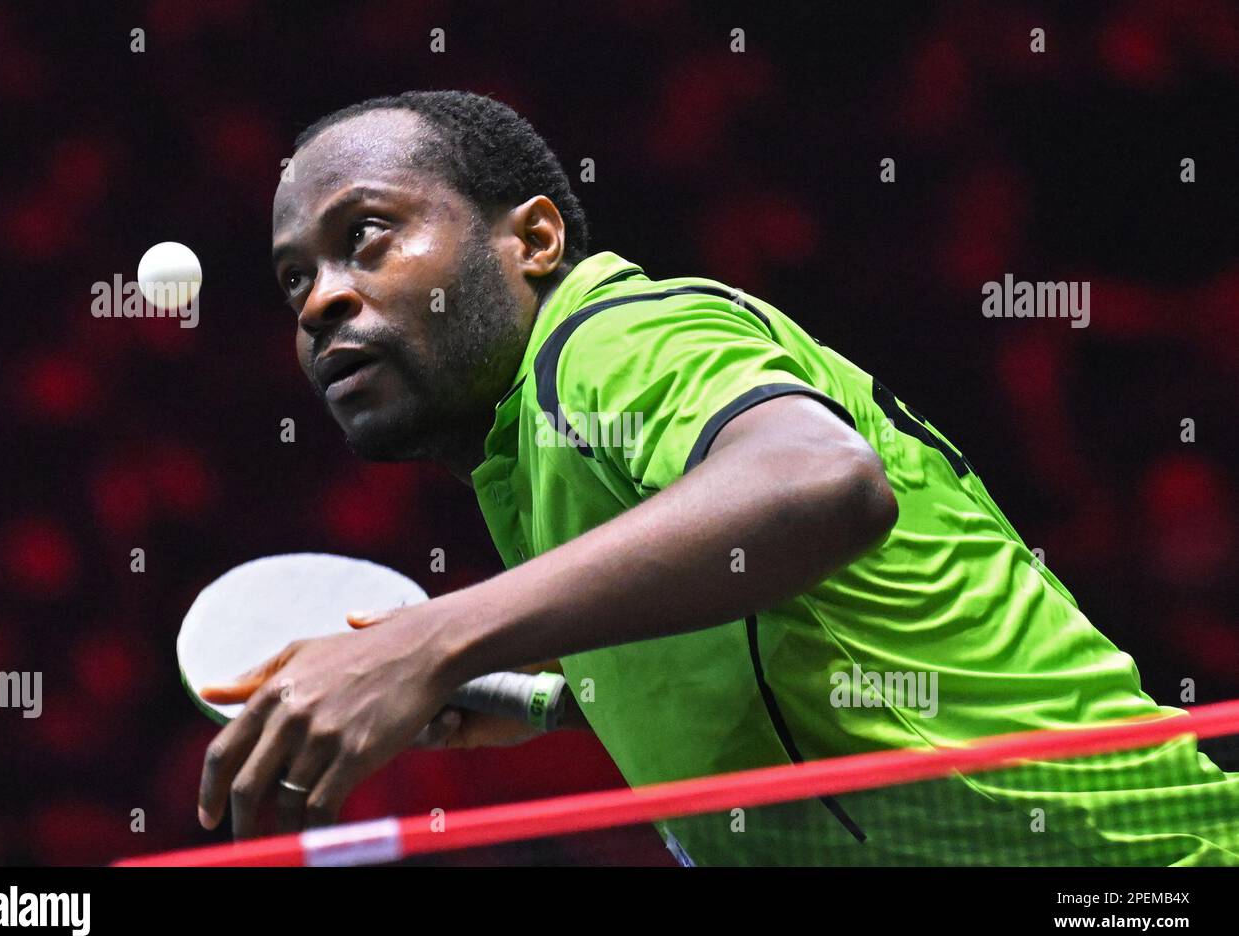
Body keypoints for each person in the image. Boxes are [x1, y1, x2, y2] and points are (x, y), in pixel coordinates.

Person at [197, 90, 1238, 865]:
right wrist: (560, 697)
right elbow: (784, 624)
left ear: (535, 239)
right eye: (297, 277)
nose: (321, 300)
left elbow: (821, 484)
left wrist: (432, 638)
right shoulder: (530, 457)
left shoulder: (614, 340)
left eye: (365, 238)